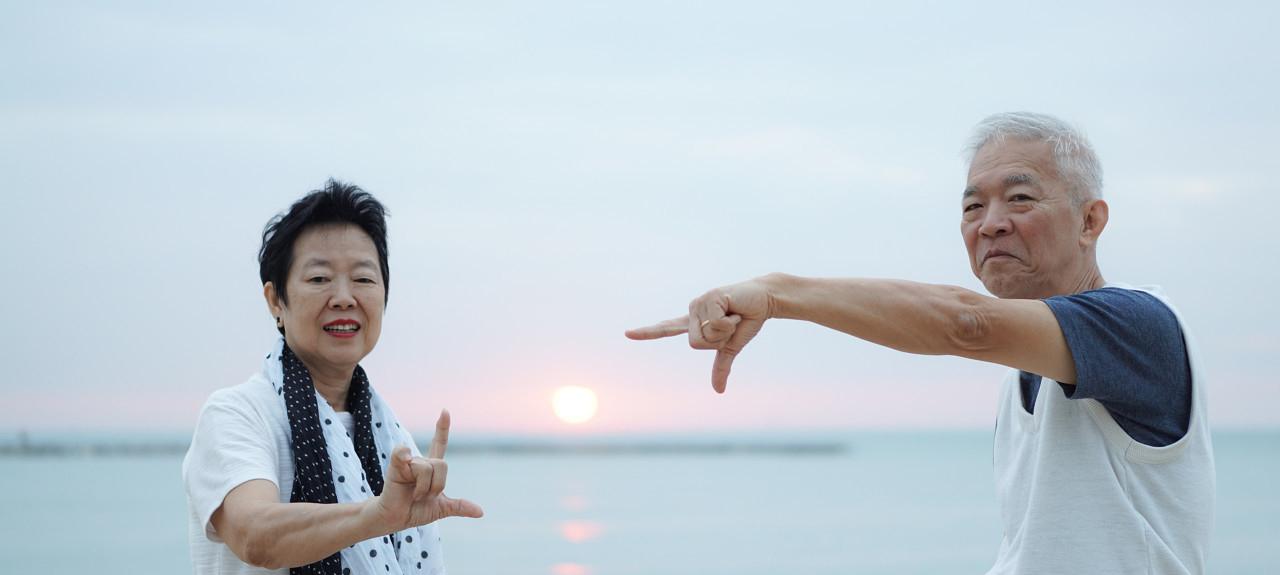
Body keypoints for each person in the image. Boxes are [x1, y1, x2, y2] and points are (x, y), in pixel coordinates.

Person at [627, 112, 1214, 574]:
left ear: (1090, 222)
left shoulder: (1137, 326)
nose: (990, 223)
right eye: (971, 206)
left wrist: (779, 294)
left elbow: (966, 324)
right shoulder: (1024, 374)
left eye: (1020, 198)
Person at [183, 180, 483, 575]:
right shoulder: (238, 414)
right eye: (319, 279)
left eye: (363, 279)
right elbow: (254, 535)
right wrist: (377, 516)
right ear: (275, 300)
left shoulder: (394, 441)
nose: (344, 297)